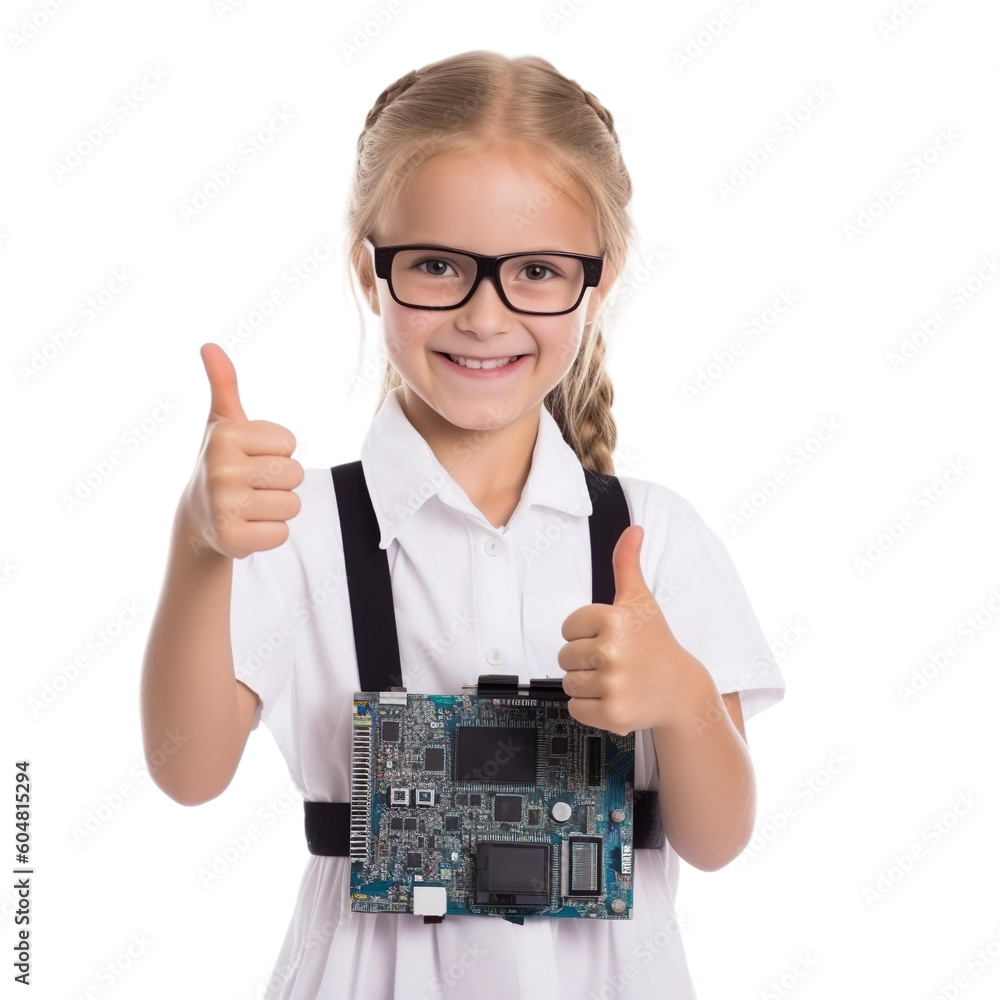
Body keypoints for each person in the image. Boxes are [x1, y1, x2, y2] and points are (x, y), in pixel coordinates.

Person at [140, 50, 786, 1000]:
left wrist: (683, 697)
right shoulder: (297, 527)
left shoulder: (655, 540)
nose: (485, 317)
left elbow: (719, 840)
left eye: (535, 271)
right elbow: (185, 772)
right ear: (371, 272)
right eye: (437, 265)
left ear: (596, 283)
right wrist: (199, 546)